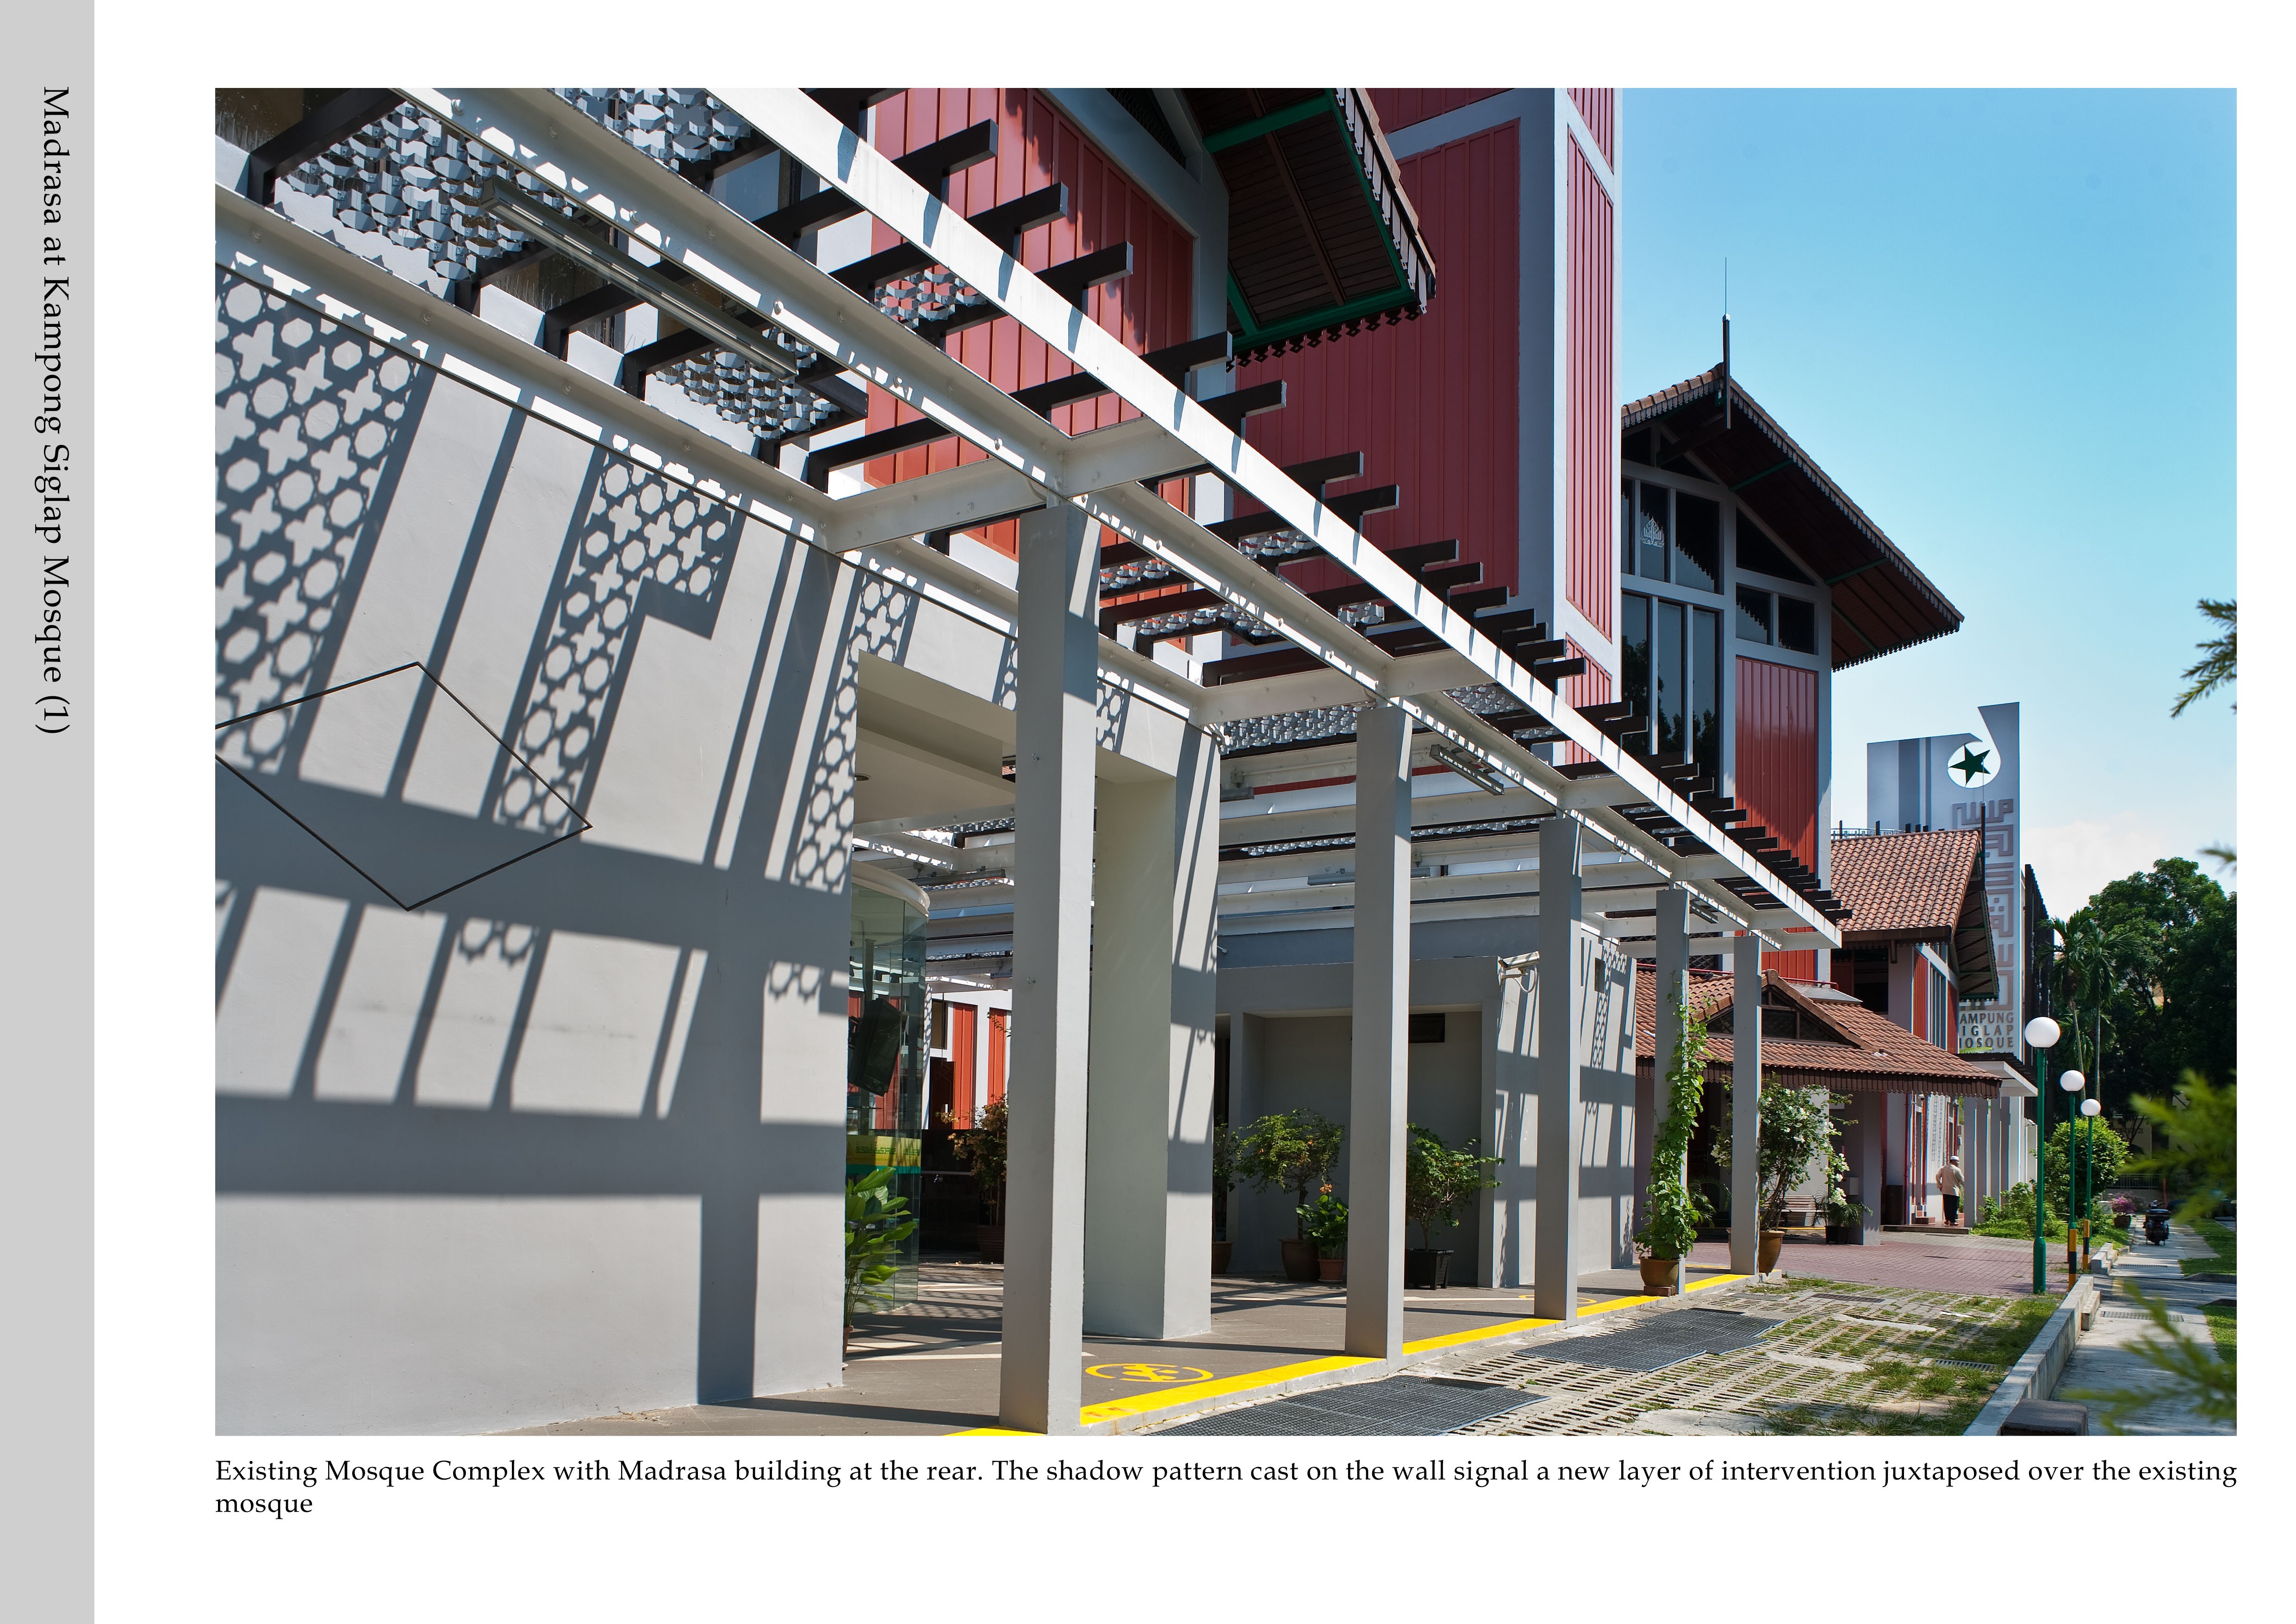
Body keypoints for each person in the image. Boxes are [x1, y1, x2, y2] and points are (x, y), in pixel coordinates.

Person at [1935, 1156, 1964, 1225]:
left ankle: (1947, 1220)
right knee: (1954, 1206)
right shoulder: (1957, 1170)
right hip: (1954, 1191)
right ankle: (1953, 1221)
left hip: (1945, 1190)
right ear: (1954, 1162)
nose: (1958, 1163)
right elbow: (1962, 1180)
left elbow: (1937, 1176)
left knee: (1947, 1206)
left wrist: (1940, 1185)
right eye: (1958, 1162)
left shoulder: (1944, 1168)